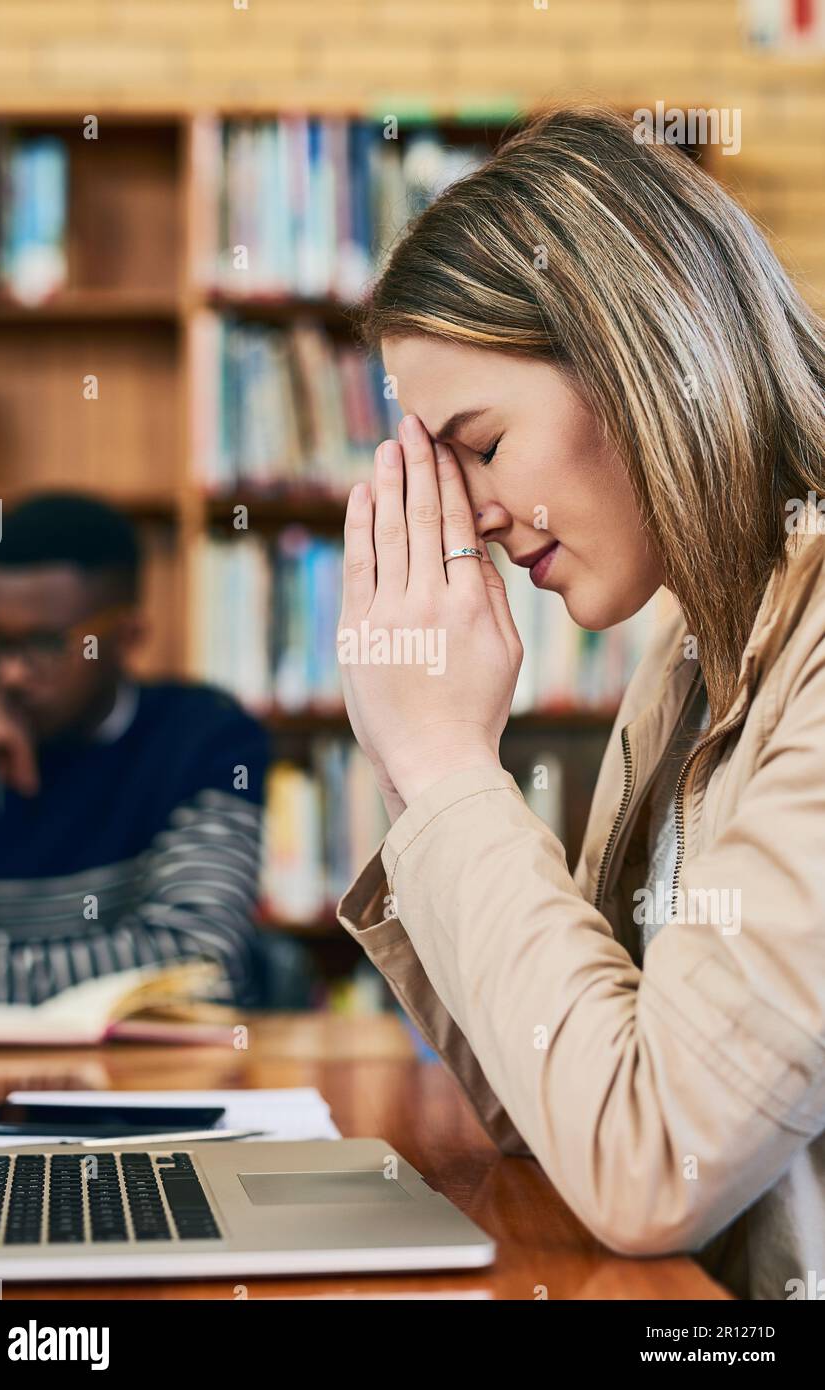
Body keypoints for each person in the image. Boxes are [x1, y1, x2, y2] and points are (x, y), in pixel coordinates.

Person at [336, 105, 825, 1300]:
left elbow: (650, 1157)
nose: (477, 524)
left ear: (640, 354)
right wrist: (415, 755)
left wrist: (454, 767)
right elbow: (559, 1100)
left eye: (486, 446)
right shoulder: (694, 659)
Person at [0, 492, 272, 1007]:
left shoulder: (204, 737)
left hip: (142, 1081)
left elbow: (201, 961)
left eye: (46, 643)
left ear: (128, 636)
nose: (11, 673)